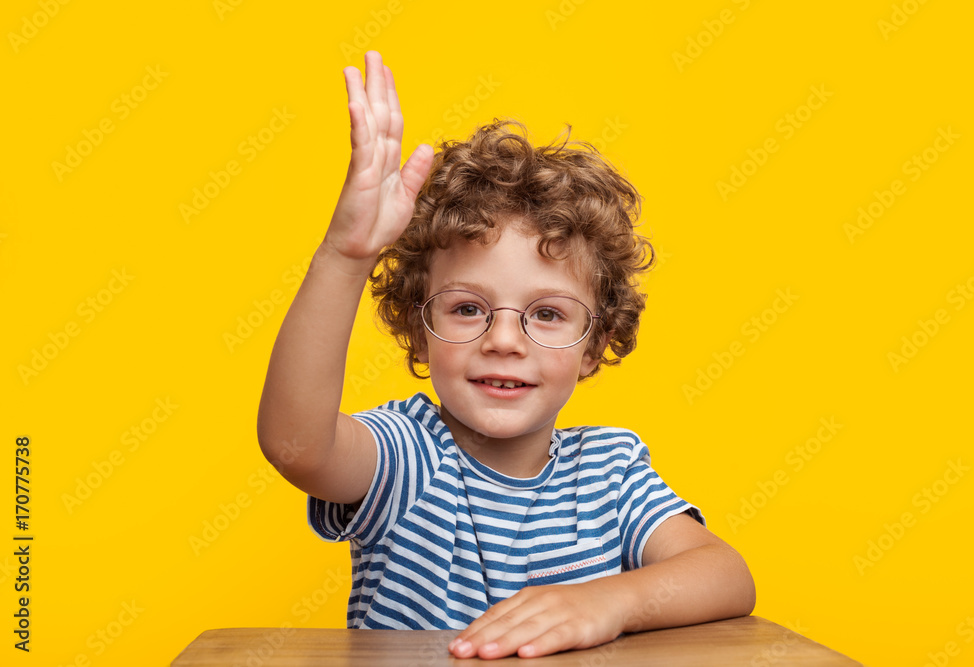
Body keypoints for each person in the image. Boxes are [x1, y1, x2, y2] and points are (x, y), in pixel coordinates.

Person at [257, 50, 755, 660]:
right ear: (420, 326)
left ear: (594, 346)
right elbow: (295, 445)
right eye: (467, 309)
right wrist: (345, 255)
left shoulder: (610, 473)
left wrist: (609, 602)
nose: (504, 340)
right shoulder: (407, 456)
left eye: (547, 315)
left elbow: (728, 575)